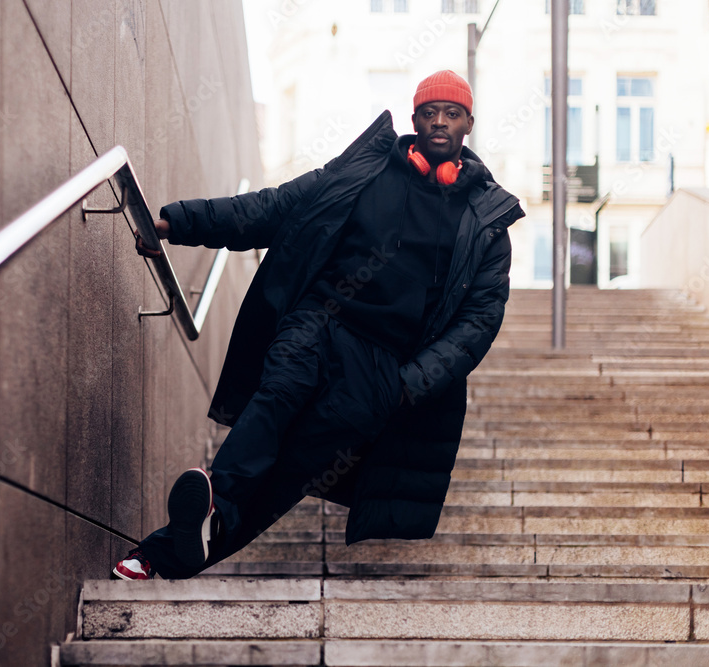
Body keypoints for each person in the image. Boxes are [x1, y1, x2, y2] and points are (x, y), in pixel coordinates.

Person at [113, 70, 524, 581]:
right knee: (275, 399)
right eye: (429, 111)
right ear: (415, 120)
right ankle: (190, 522)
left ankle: (170, 548)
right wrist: (179, 223)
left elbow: (480, 320)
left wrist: (408, 384)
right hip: (318, 320)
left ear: (468, 124)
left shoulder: (487, 221)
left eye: (452, 112)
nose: (439, 121)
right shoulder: (364, 169)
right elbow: (274, 207)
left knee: (290, 474)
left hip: (382, 370)